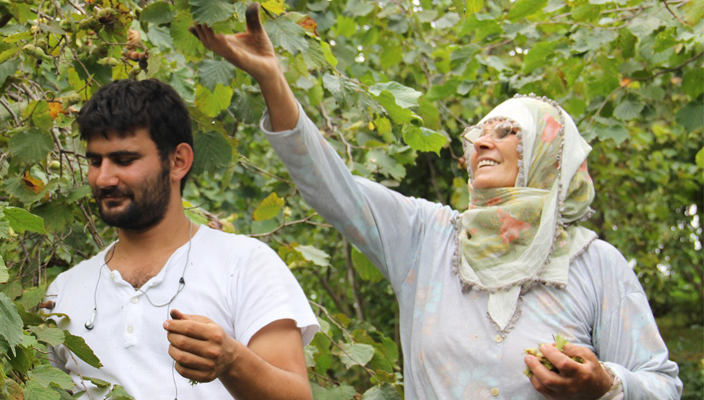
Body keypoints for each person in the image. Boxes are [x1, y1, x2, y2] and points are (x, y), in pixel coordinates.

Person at [190, 4, 682, 399]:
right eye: (479, 134)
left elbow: (663, 385)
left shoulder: (595, 265)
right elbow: (331, 186)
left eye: (508, 132)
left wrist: (605, 384)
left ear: (550, 156)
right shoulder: (428, 240)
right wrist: (274, 81)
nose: (483, 143)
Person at [43, 79, 318, 399]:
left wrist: (232, 360)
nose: (103, 178)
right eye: (95, 161)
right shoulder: (64, 291)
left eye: (124, 160)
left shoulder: (245, 265)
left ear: (178, 162)